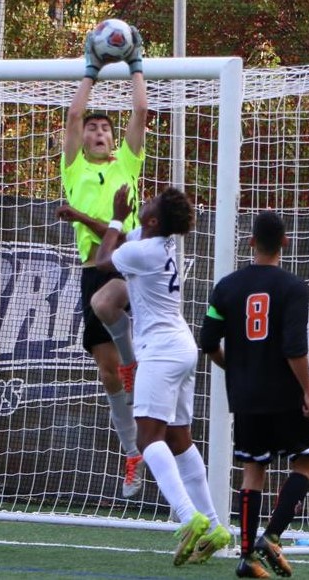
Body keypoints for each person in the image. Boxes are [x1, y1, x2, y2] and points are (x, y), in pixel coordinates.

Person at [95, 184, 232, 566]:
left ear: (153, 219)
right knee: (178, 439)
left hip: (161, 351)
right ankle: (217, 525)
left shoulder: (143, 249)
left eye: (151, 203)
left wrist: (116, 214)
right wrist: (90, 217)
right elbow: (121, 240)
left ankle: (190, 517)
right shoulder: (156, 242)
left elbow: (104, 257)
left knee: (146, 437)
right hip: (182, 346)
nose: (147, 201)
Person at [199, 211, 309, 579]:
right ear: (284, 242)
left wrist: (235, 367)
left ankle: (247, 557)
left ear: (250, 243)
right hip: (283, 394)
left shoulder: (225, 287)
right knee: (307, 461)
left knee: (254, 469)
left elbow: (207, 343)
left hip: (245, 397)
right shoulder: (293, 287)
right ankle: (270, 538)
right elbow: (293, 349)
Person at [54, 25, 146, 499]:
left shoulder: (127, 165)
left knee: (139, 363)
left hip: (131, 268)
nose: (97, 131)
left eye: (104, 128)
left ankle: (138, 366)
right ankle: (132, 453)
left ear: (114, 140)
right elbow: (72, 113)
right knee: (110, 376)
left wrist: (136, 66)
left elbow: (142, 110)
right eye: (93, 127)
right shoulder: (74, 168)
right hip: (93, 273)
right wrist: (90, 70)